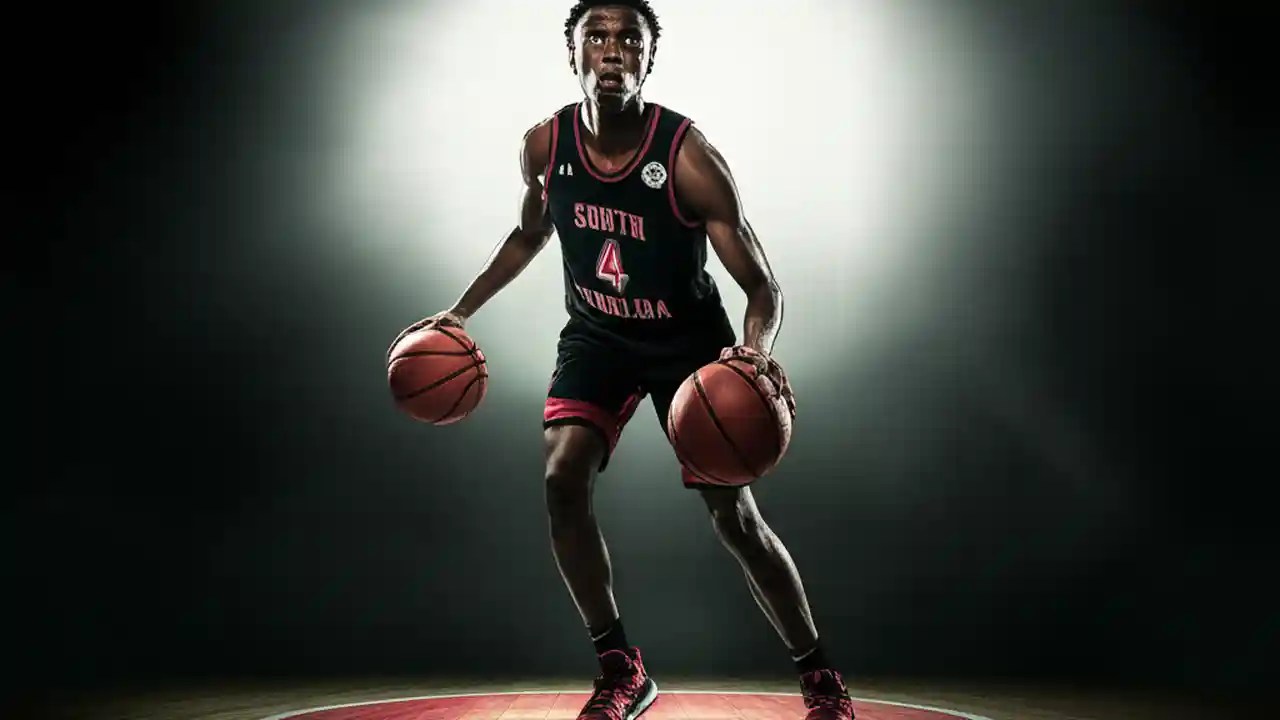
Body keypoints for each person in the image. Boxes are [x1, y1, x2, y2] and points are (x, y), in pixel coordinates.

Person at [389, 2, 855, 719]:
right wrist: (459, 311)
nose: (612, 51)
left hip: (688, 345)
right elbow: (527, 237)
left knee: (736, 521)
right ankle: (621, 668)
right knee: (560, 477)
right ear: (572, 54)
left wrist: (753, 353)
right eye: (596, 38)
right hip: (598, 337)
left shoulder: (688, 157)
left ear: (648, 59)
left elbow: (763, 284)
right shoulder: (545, 147)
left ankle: (821, 679)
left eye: (628, 41)